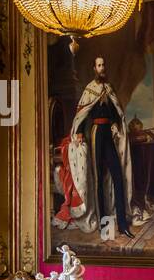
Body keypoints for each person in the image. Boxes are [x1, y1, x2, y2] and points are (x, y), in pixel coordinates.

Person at [57, 55, 148, 238]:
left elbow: (116, 111)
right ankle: (104, 225)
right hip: (96, 133)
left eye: (103, 64)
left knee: (118, 176)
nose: (102, 67)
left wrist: (115, 123)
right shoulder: (90, 89)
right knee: (98, 180)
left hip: (108, 134)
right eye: (99, 65)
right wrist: (80, 131)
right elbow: (82, 112)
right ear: (94, 68)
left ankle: (122, 224)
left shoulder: (109, 88)